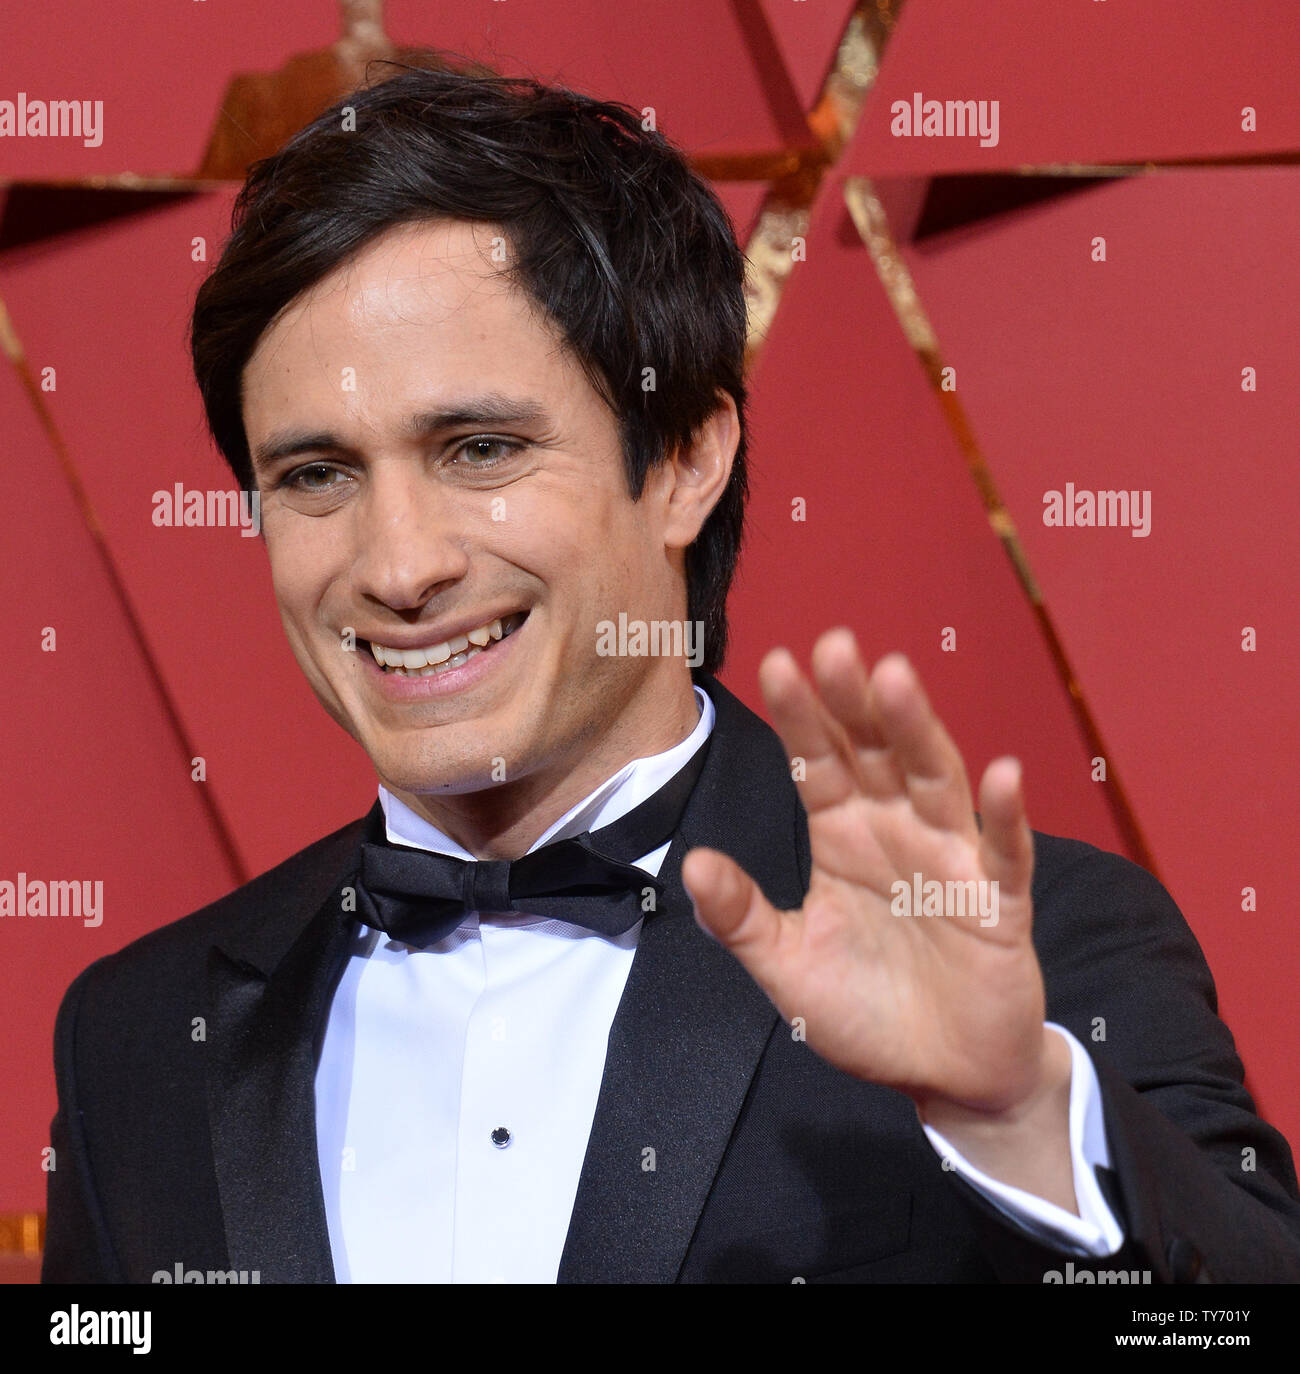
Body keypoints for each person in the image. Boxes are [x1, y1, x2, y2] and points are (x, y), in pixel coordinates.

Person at [42, 62, 1300, 1284]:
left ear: (688, 460)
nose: (398, 564)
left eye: (479, 448)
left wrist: (1019, 1112)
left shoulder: (1027, 951)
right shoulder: (139, 1038)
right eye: (316, 475)